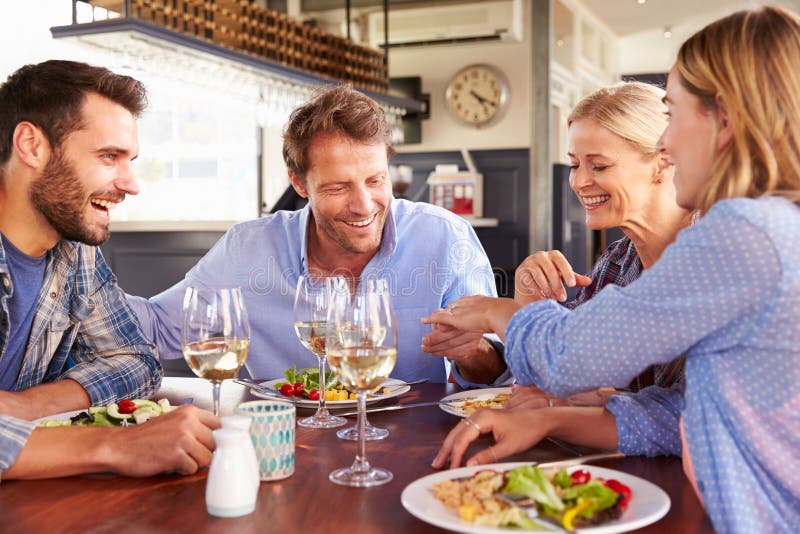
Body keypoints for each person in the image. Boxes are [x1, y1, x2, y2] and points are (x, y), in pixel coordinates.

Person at [426, 6, 800, 531]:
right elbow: (689, 415)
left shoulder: (743, 234)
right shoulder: (772, 226)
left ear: (725, 118)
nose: (667, 142)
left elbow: (567, 357)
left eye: (673, 113)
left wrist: (496, 311)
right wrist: (549, 416)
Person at [128, 85, 510, 387]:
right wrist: (76, 259)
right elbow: (158, 328)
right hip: (287, 448)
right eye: (338, 188)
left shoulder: (445, 238)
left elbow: (493, 373)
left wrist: (471, 350)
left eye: (375, 180)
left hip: (412, 446)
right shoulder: (248, 249)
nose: (364, 206)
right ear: (300, 182)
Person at [0, 60, 218, 479]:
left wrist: (25, 406)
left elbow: (136, 359)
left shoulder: (72, 251)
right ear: (31, 145)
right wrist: (114, 445)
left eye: (130, 159)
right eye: (108, 156)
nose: (131, 183)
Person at [509, 82, 691, 410]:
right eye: (575, 164)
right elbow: (554, 373)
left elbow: (698, 411)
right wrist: (529, 301)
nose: (578, 181)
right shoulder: (616, 261)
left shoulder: (714, 255)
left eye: (599, 165)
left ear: (662, 162)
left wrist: (501, 315)